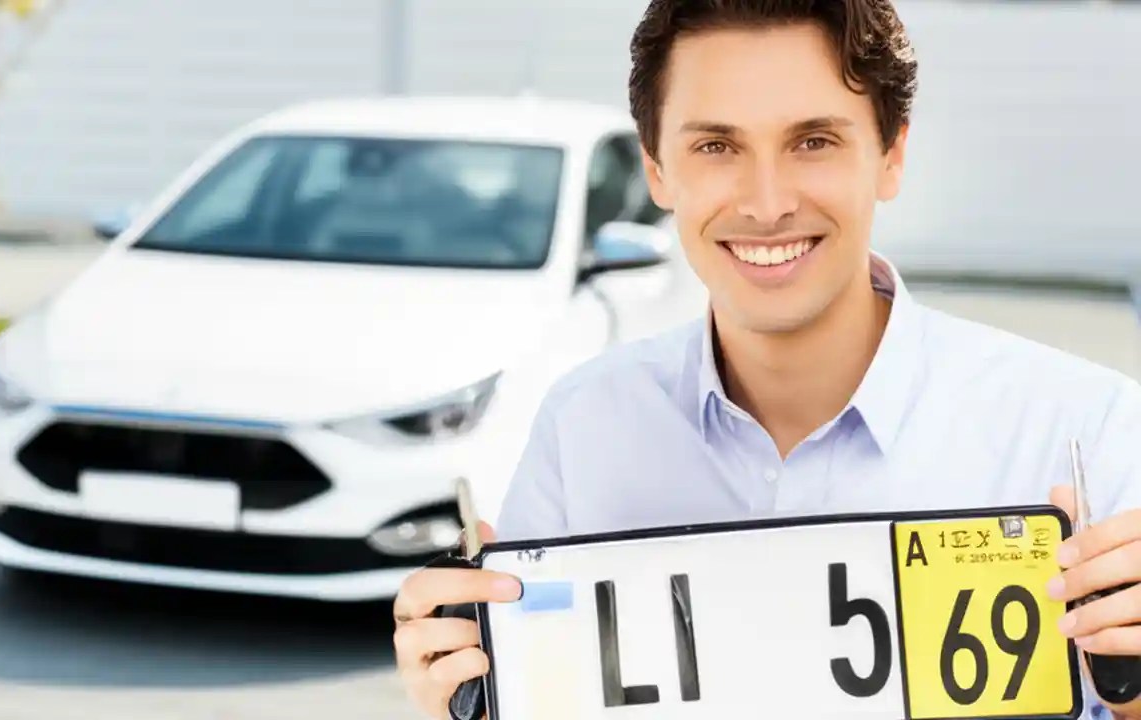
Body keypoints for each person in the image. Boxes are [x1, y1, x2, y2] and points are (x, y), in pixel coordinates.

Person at [391, 0, 1141, 718]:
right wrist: (479, 685)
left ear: (891, 155)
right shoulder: (583, 428)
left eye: (813, 140)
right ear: (656, 169)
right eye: (716, 146)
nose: (767, 200)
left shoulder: (1084, 431)